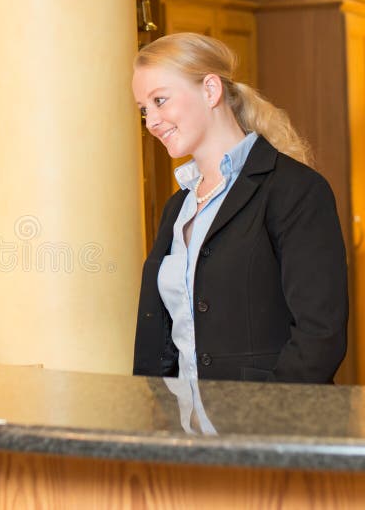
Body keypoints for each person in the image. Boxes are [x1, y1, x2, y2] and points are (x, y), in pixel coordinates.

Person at [131, 33, 347, 384]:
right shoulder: (178, 207)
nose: (151, 121)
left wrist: (262, 427)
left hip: (266, 428)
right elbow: (165, 339)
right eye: (144, 110)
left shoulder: (295, 190)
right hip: (183, 430)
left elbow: (319, 336)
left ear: (211, 90)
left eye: (160, 100)